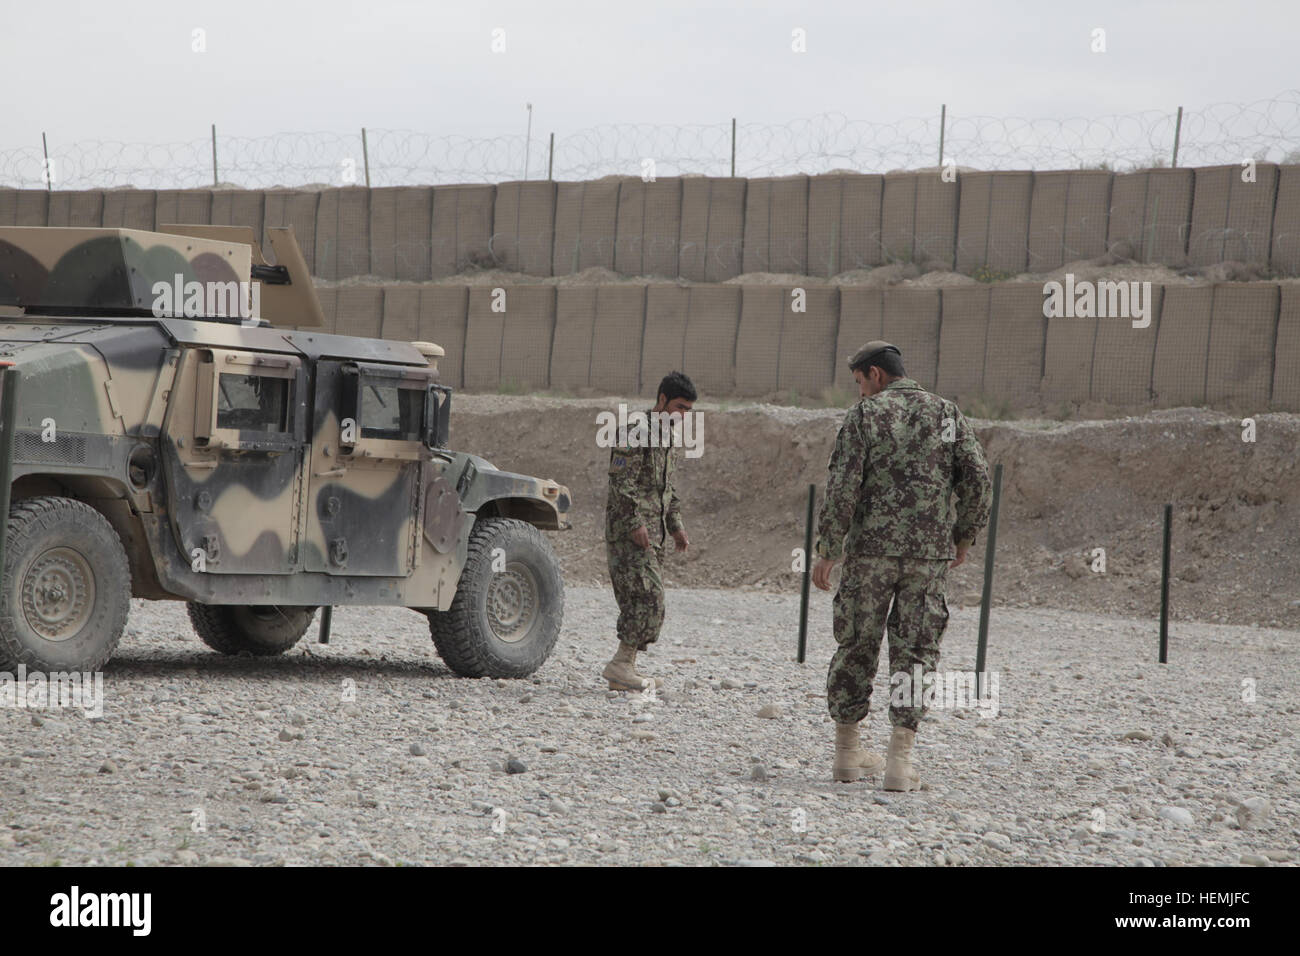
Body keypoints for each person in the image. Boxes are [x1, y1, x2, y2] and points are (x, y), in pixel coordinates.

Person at [812, 342, 991, 789]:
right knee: (915, 652)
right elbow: (977, 479)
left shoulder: (866, 416)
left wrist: (828, 549)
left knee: (856, 645)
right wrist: (963, 536)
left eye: (859, 383)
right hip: (927, 558)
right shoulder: (946, 414)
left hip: (869, 554)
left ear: (875, 374)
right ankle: (898, 761)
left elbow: (842, 486)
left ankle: (847, 756)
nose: (859, 393)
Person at [602, 371, 696, 690]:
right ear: (662, 400)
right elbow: (621, 483)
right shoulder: (634, 431)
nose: (683, 416)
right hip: (629, 534)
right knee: (649, 597)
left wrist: (676, 527)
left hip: (653, 536)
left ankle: (624, 670)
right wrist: (634, 523)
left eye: (688, 411)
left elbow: (666, 489)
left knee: (644, 601)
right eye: (680, 407)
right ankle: (620, 664)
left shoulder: (665, 437)